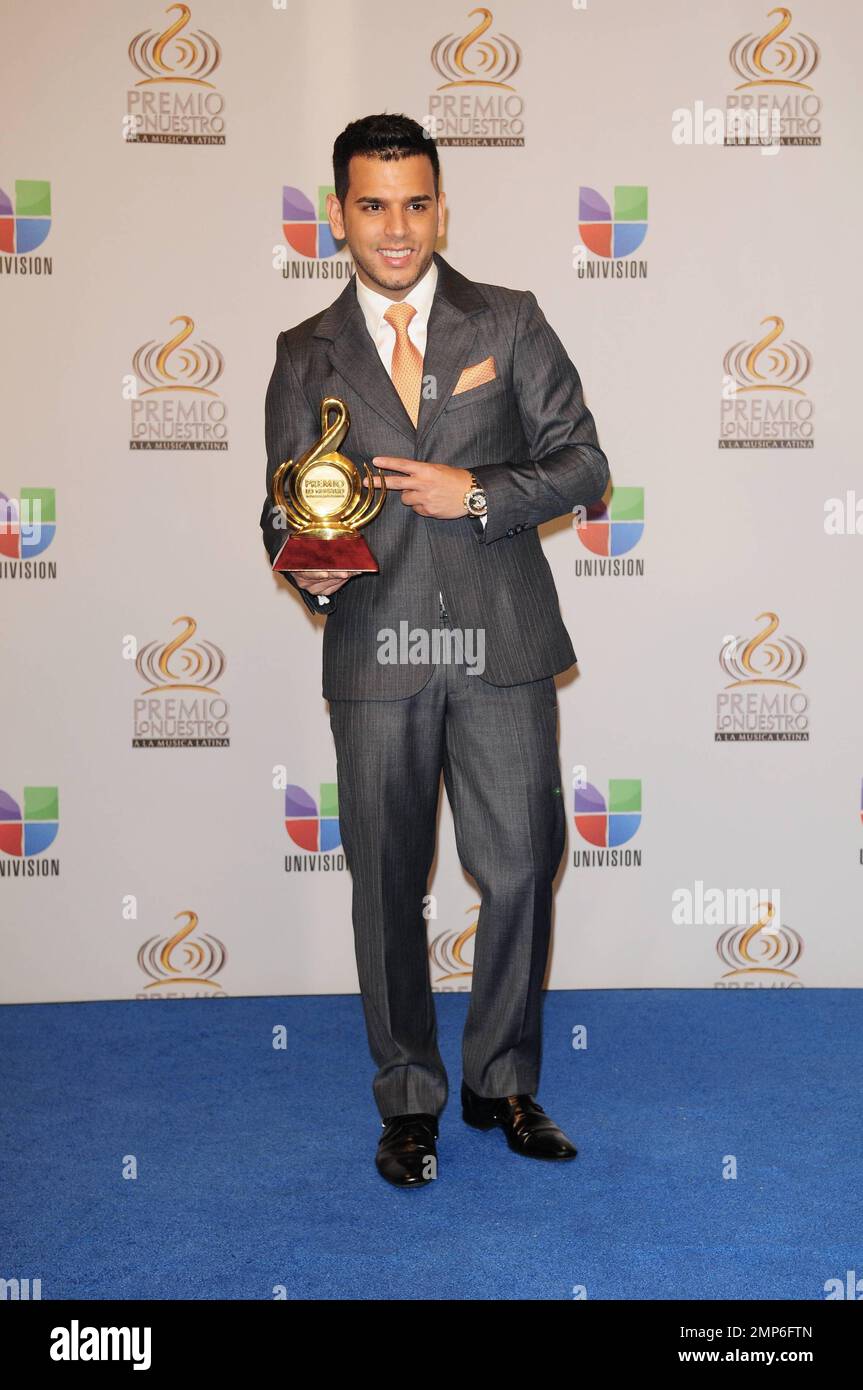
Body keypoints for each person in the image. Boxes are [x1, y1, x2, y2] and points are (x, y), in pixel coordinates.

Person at [260, 113, 610, 1188]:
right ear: (339, 216)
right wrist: (303, 562)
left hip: (498, 642)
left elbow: (582, 463)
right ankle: (406, 1097)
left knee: (515, 869)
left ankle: (499, 1078)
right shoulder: (301, 352)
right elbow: (282, 510)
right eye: (373, 205)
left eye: (415, 203)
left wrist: (479, 491)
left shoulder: (506, 319)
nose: (396, 228)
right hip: (377, 647)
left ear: (440, 207)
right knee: (384, 887)